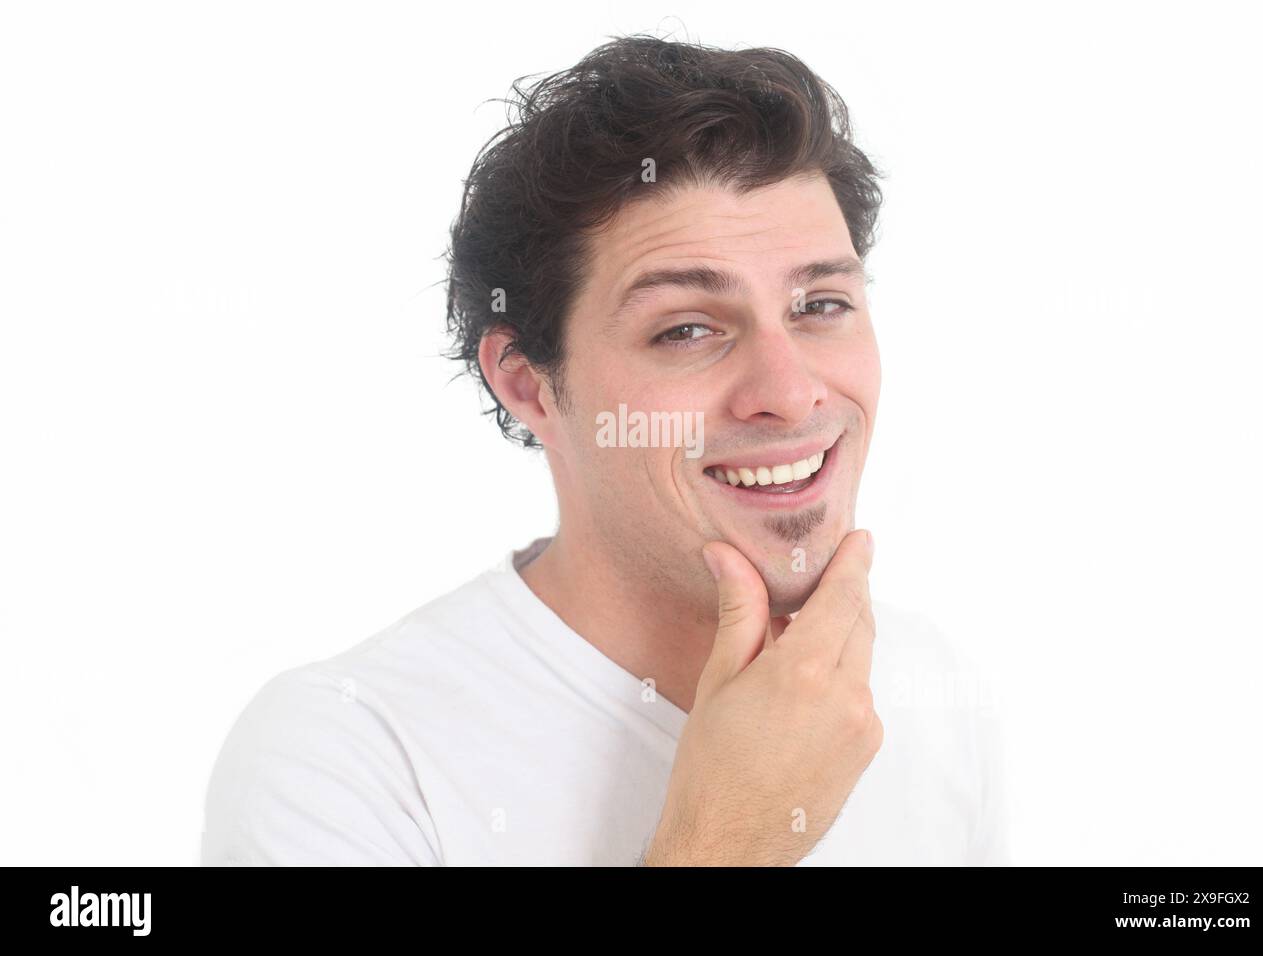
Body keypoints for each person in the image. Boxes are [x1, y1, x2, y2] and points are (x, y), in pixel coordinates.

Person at [201, 34, 1009, 866]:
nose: (793, 390)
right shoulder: (347, 763)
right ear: (527, 383)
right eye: (687, 328)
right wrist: (728, 840)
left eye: (822, 305)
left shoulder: (919, 690)